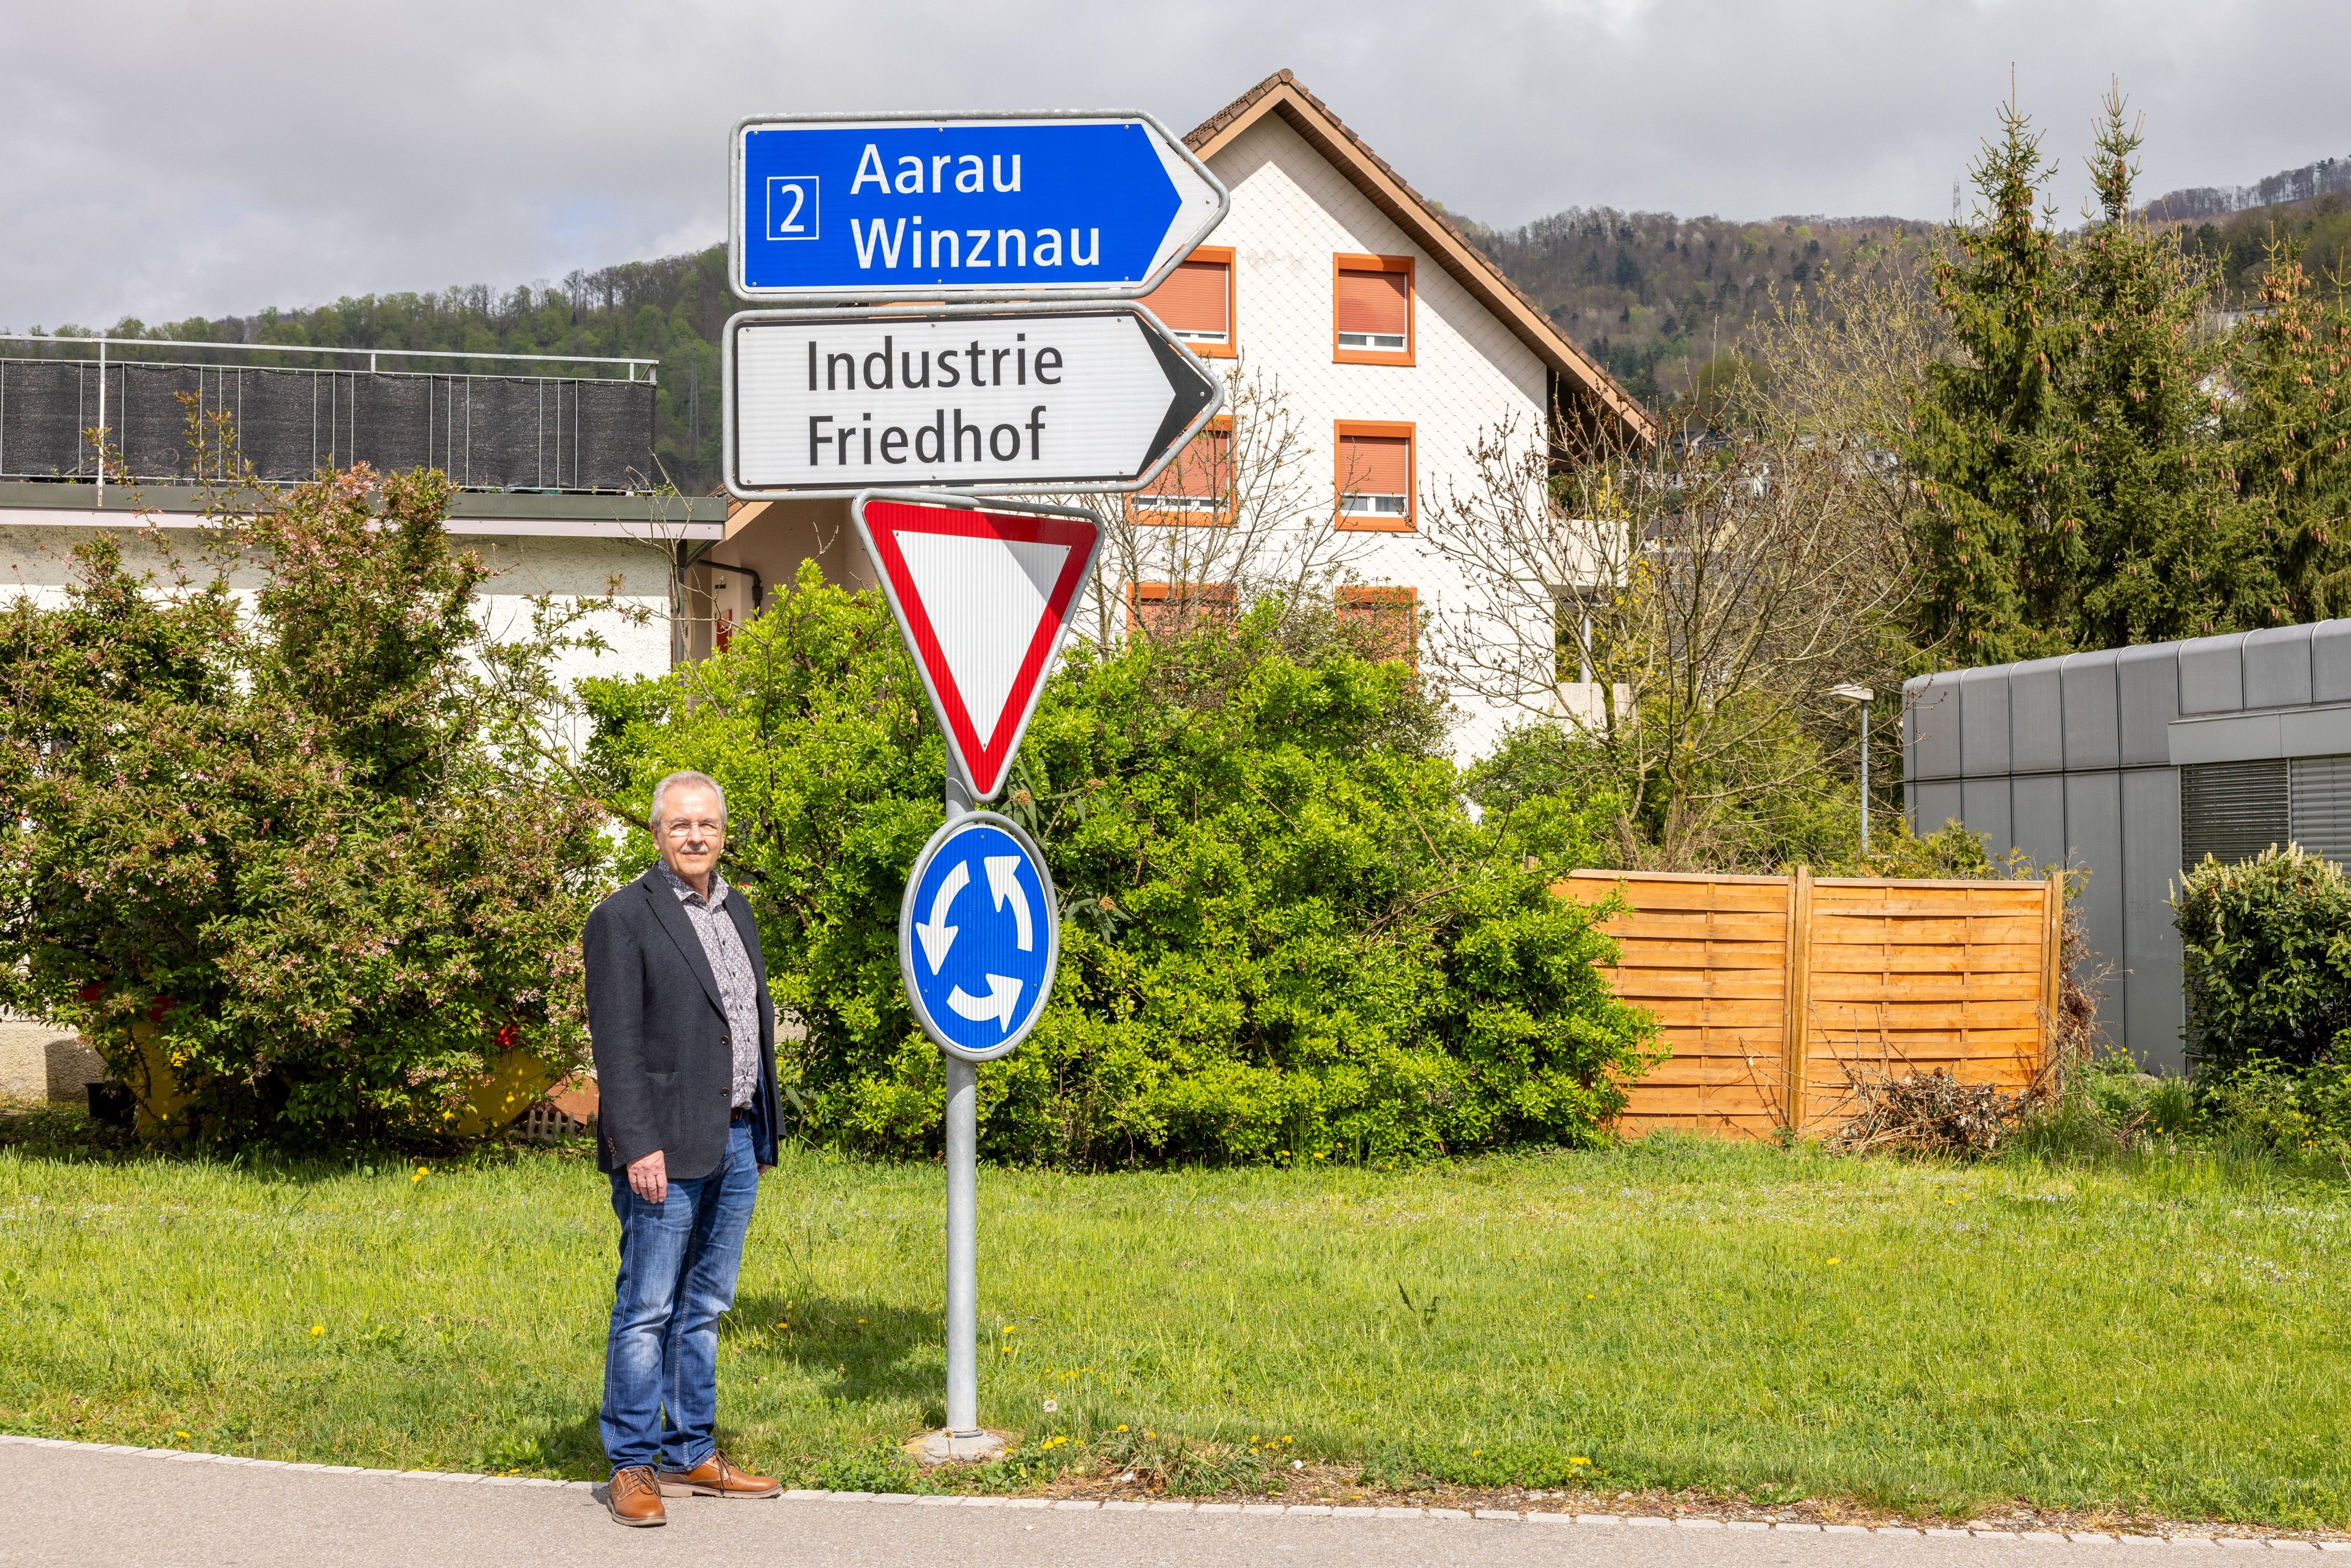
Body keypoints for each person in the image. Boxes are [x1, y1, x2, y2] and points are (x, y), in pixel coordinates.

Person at [582, 770, 784, 1527]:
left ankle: (691, 1447)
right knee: (647, 1307)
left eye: (708, 825)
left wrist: (762, 1130)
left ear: (723, 833)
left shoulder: (739, 912)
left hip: (735, 1139)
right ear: (658, 834)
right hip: (661, 1147)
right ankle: (631, 1462)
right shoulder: (622, 918)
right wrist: (637, 1143)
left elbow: (749, 1026)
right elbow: (618, 1044)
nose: (696, 836)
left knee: (705, 1306)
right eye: (681, 825)